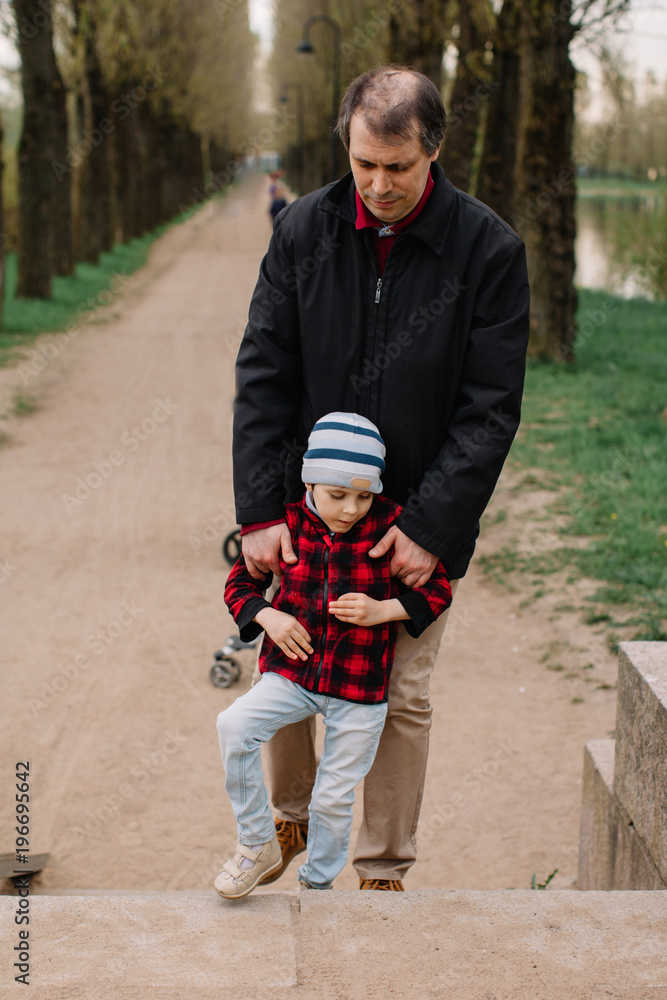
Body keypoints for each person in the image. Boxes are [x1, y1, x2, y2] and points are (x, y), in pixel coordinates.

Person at [232, 65, 530, 890]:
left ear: (433, 150)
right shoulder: (301, 231)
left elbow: (489, 410)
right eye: (363, 163)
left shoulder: (491, 252)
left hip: (414, 523)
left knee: (402, 695)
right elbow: (262, 375)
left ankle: (381, 868)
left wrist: (430, 528)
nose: (378, 184)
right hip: (305, 513)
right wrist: (260, 511)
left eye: (397, 166)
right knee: (287, 667)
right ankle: (290, 821)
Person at [215, 413, 452, 898]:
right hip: (291, 678)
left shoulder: (390, 527)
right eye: (337, 494)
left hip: (360, 691)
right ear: (309, 482)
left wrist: (384, 610)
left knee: (331, 798)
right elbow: (239, 585)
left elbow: (438, 590)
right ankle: (257, 842)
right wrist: (268, 616)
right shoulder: (287, 526)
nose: (350, 509)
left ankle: (316, 887)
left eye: (363, 496)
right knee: (233, 726)